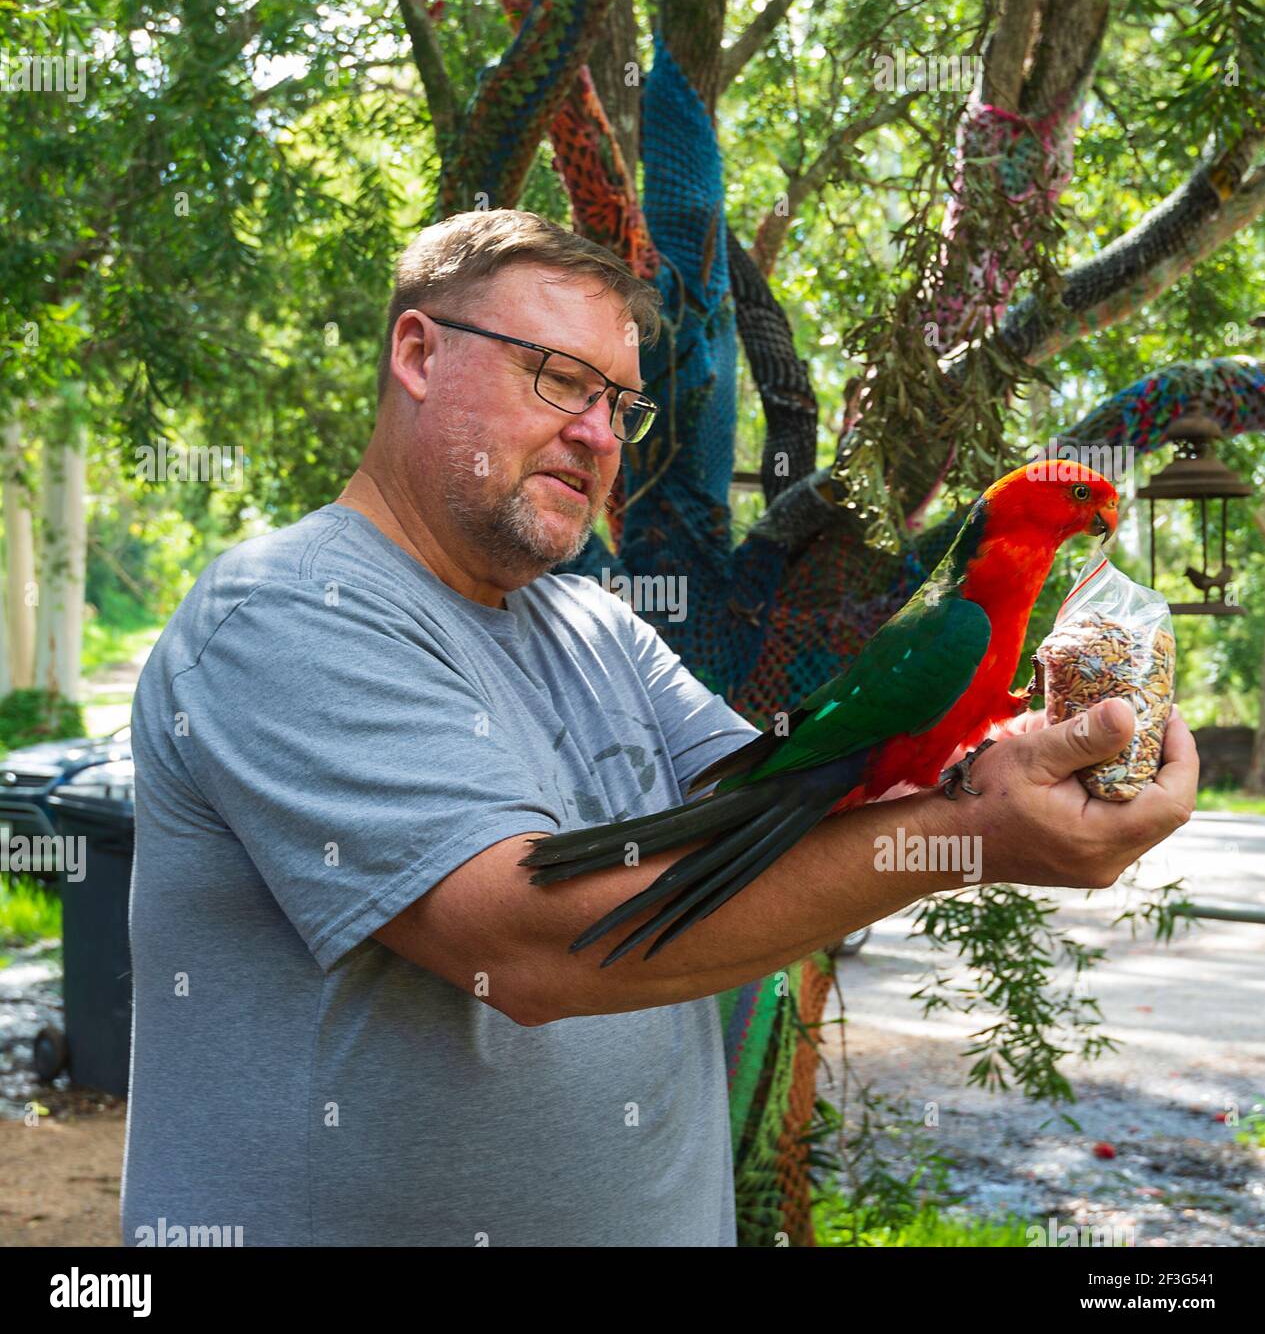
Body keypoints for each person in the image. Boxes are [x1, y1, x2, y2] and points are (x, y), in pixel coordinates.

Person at [120, 208, 1198, 1248]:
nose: (596, 434)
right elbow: (523, 952)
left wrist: (1000, 768)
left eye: (619, 405)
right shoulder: (287, 614)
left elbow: (768, 811)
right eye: (558, 380)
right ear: (416, 352)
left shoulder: (592, 624)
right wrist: (966, 838)